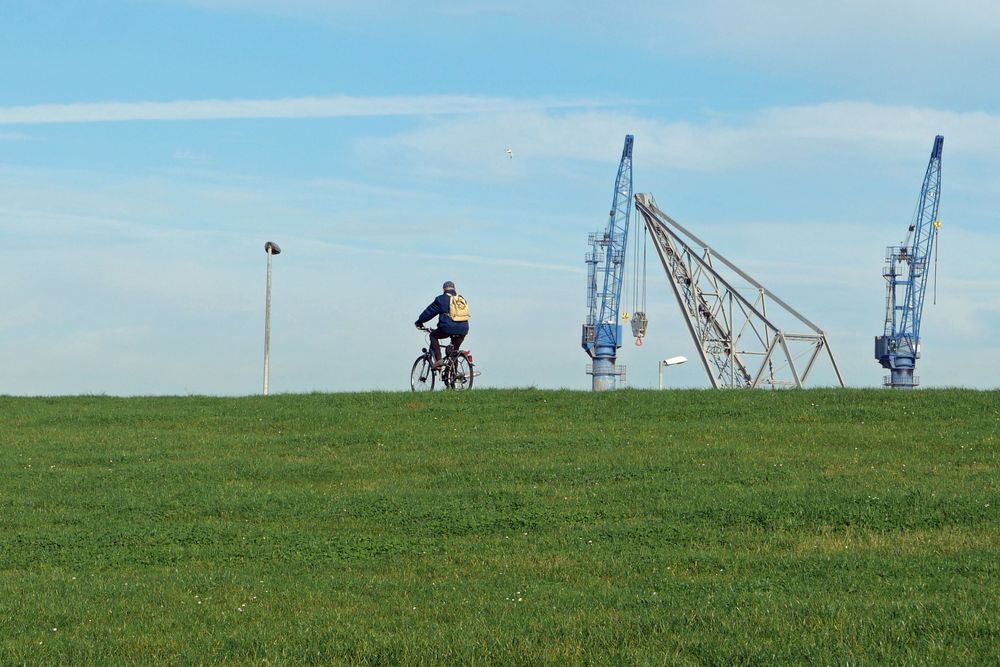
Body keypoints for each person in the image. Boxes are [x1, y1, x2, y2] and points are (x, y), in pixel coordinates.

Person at [415, 281, 469, 368]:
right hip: (463, 329)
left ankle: (438, 360)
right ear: (454, 289)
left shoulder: (441, 299)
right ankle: (454, 376)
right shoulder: (461, 299)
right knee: (454, 352)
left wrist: (419, 322)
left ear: (444, 289)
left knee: (433, 336)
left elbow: (429, 312)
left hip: (447, 328)